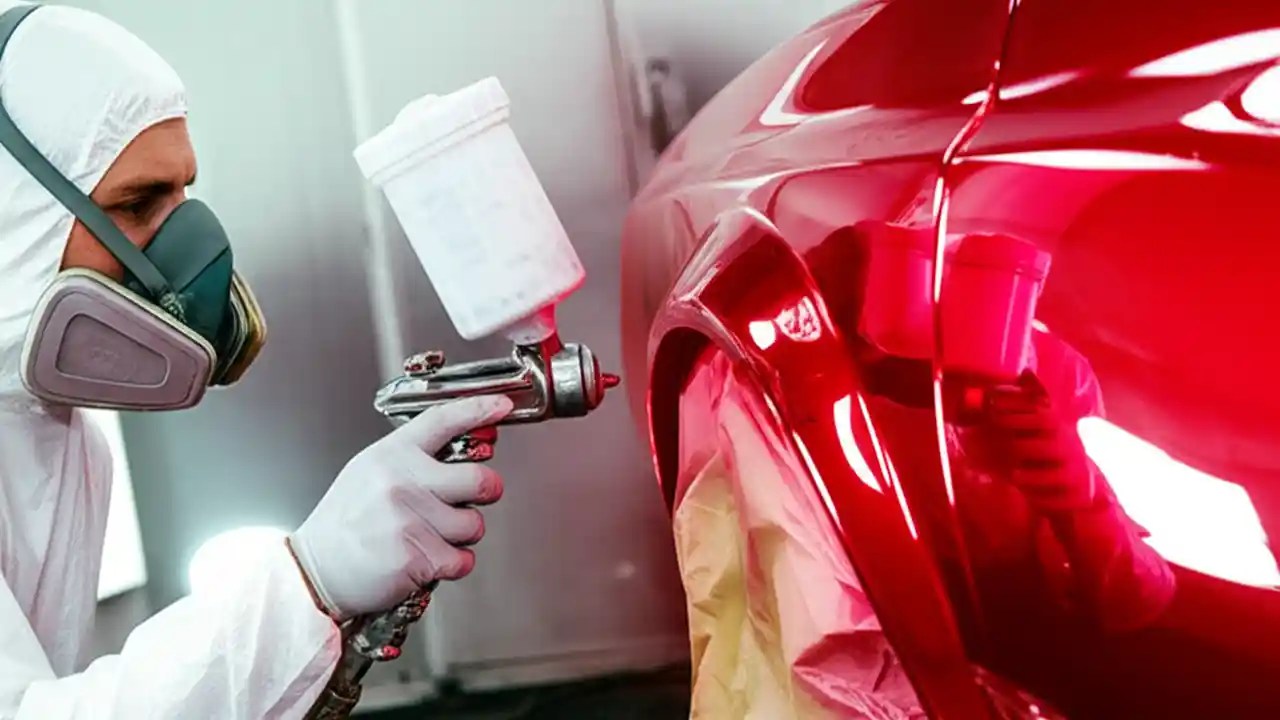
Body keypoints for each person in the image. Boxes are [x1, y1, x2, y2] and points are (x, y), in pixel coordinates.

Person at [0, 3, 510, 716]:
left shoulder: (60, 438)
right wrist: (307, 584)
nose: (187, 248)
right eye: (140, 203)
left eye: (183, 197)